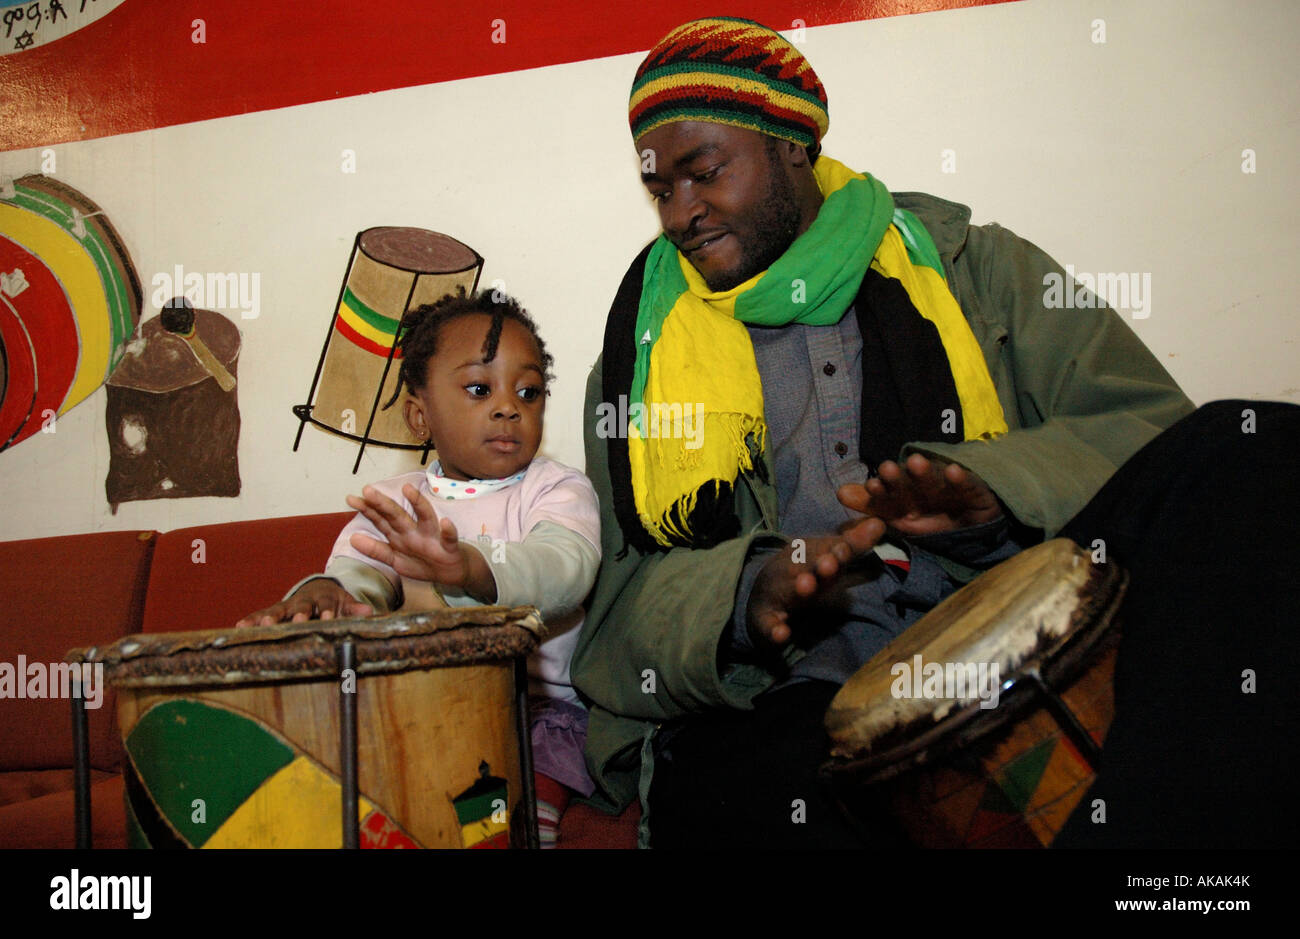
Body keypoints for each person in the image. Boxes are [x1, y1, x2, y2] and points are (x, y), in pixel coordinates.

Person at [571, 16, 1299, 848]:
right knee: (748, 793)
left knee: (1251, 446)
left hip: (1018, 619)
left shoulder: (974, 268)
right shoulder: (640, 366)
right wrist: (744, 592)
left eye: (704, 174)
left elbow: (1145, 427)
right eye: (661, 188)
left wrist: (999, 490)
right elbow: (617, 615)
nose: (681, 214)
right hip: (799, 694)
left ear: (794, 144)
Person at [239, 288, 601, 847]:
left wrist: (470, 569)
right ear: (419, 415)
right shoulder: (396, 499)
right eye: (480, 388)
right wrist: (324, 593)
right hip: (416, 709)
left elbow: (565, 569)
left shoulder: (554, 488)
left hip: (531, 715)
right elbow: (362, 574)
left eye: (528, 392)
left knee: (500, 826)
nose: (509, 406)